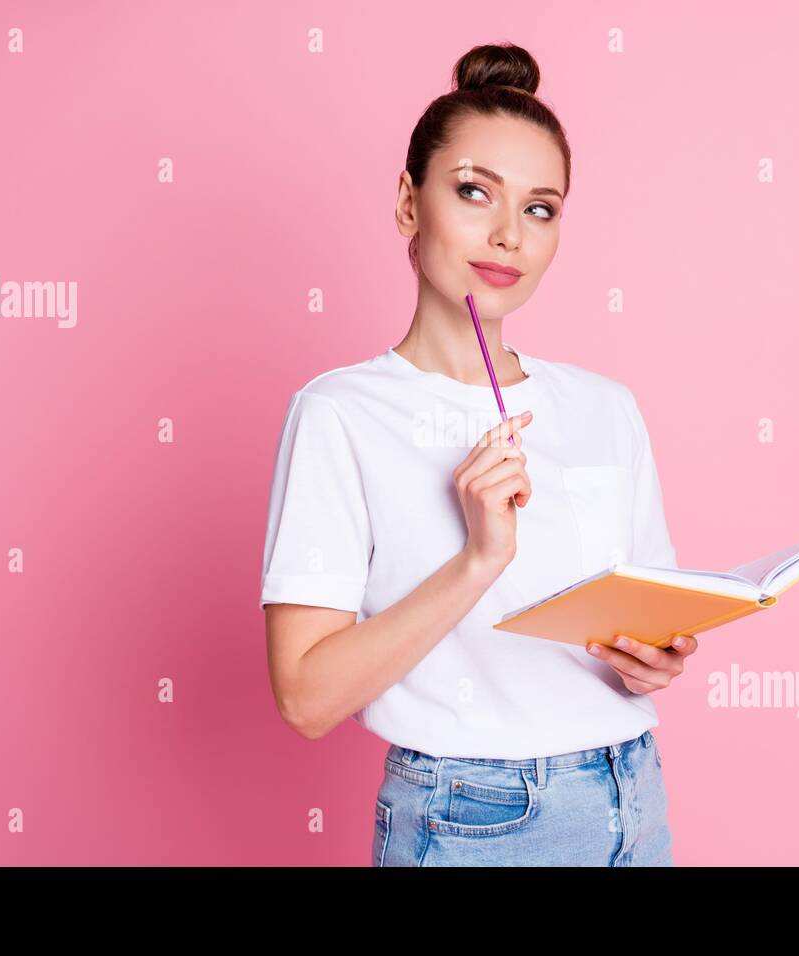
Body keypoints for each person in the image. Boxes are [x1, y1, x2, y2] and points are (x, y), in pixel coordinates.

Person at [259, 42, 699, 867]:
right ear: (407, 203)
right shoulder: (341, 415)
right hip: (473, 821)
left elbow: (646, 627)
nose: (507, 235)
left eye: (540, 209)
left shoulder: (608, 408)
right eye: (473, 193)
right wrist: (477, 560)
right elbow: (305, 699)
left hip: (633, 796)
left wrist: (654, 659)